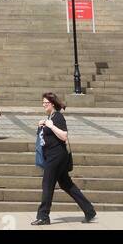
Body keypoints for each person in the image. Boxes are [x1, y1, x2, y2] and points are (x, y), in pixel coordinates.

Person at [31, 91, 96, 226]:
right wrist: (41, 126)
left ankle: (43, 216)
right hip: (53, 156)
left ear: (53, 104)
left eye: (46, 103)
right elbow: (44, 137)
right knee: (66, 184)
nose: (44, 105)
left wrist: (51, 126)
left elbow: (64, 135)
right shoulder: (50, 117)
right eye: (43, 103)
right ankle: (89, 210)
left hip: (56, 157)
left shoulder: (58, 117)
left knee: (47, 184)